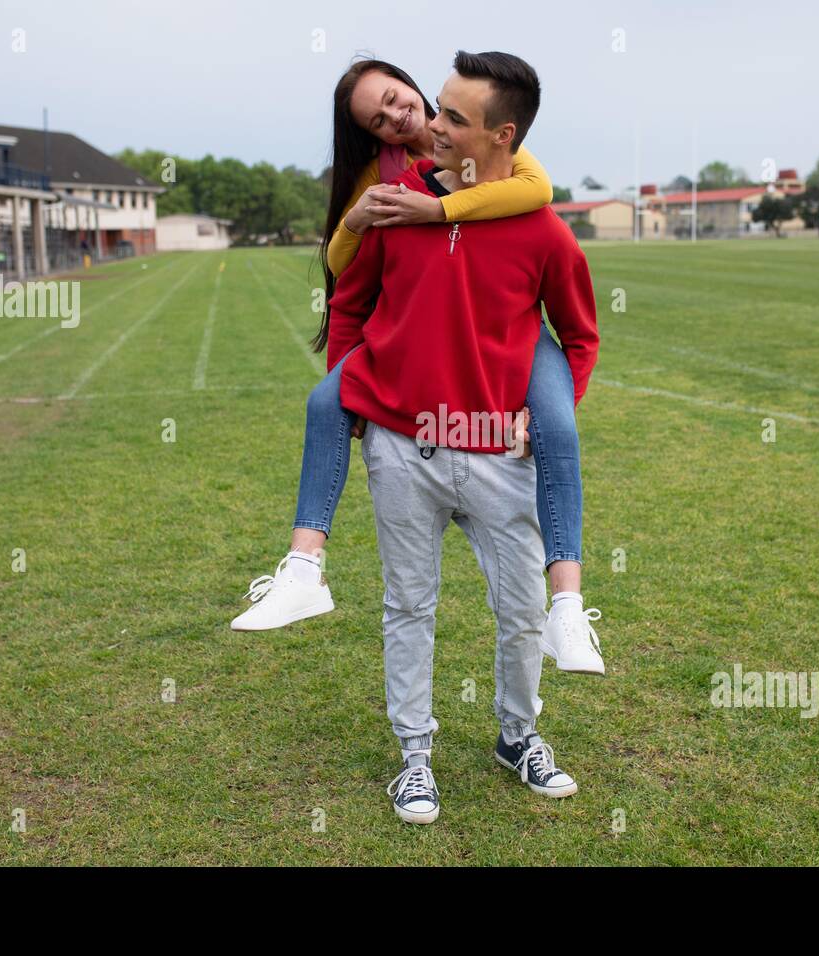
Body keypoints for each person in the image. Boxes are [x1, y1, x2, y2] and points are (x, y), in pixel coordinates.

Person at [229, 56, 604, 674]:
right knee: (325, 400)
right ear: (373, 134)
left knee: (556, 424)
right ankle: (303, 568)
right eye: (379, 119)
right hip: (414, 326)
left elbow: (534, 192)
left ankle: (567, 606)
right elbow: (349, 278)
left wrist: (440, 211)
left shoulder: (481, 150)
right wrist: (359, 220)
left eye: (401, 99)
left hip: (513, 324)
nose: (402, 117)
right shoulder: (389, 179)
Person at [328, 51, 599, 823]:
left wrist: (540, 417)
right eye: (435, 108)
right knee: (408, 606)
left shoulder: (545, 232)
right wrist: (354, 398)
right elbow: (349, 304)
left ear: (500, 135)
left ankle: (519, 736)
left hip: (495, 453)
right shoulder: (395, 205)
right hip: (401, 450)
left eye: (453, 118)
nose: (431, 127)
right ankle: (414, 756)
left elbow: (579, 338)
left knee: (520, 612)